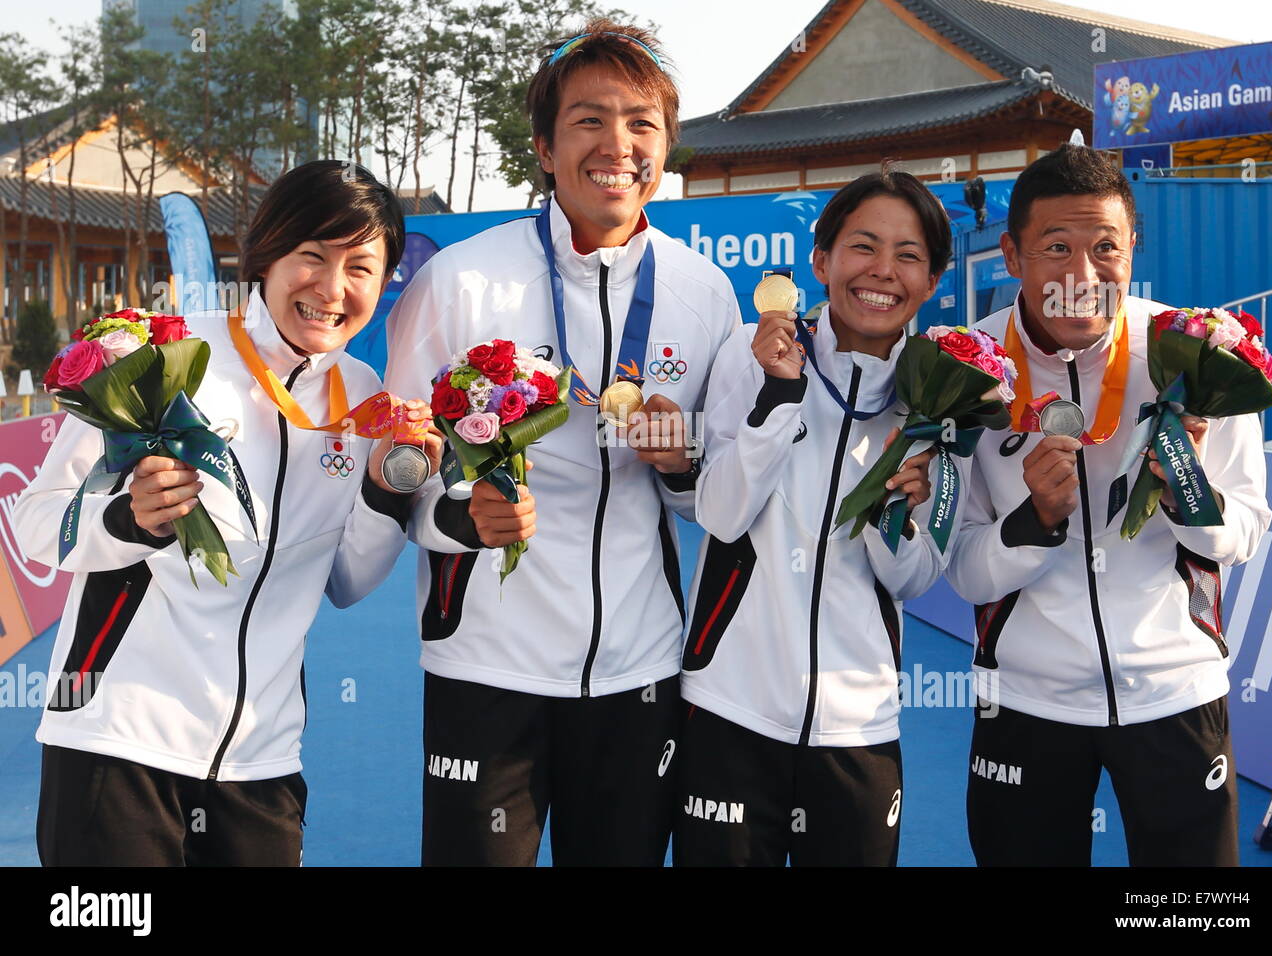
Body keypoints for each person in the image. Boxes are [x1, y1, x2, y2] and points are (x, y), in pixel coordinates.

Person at [14, 160, 441, 866]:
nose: (332, 290)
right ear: (267, 255)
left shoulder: (361, 397)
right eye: (313, 257)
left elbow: (347, 582)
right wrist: (128, 519)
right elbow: (37, 522)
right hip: (120, 740)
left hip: (260, 762)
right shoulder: (160, 357)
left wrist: (383, 490)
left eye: (361, 268)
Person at [384, 20, 739, 866]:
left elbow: (723, 493)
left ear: (665, 147)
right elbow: (398, 473)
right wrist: (464, 516)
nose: (617, 144)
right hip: (485, 664)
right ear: (544, 147)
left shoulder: (703, 292)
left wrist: (681, 461)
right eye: (589, 120)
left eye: (641, 123)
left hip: (638, 669)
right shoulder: (460, 281)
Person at [945, 144, 1270, 866]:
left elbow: (1243, 533)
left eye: (1105, 248)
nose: (1082, 275)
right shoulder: (966, 370)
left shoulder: (1195, 353)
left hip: (1174, 694)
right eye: (1055, 247)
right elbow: (964, 571)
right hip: (1025, 699)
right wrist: (1031, 524)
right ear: (1011, 254)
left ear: (1132, 250)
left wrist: (1184, 486)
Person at [673, 172, 959, 866]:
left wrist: (893, 511)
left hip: (859, 729)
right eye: (863, 246)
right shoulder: (755, 353)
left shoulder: (945, 396)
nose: (883, 271)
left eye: (908, 255)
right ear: (822, 261)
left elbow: (917, 578)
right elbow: (719, 511)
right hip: (729, 710)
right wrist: (779, 396)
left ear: (933, 280)